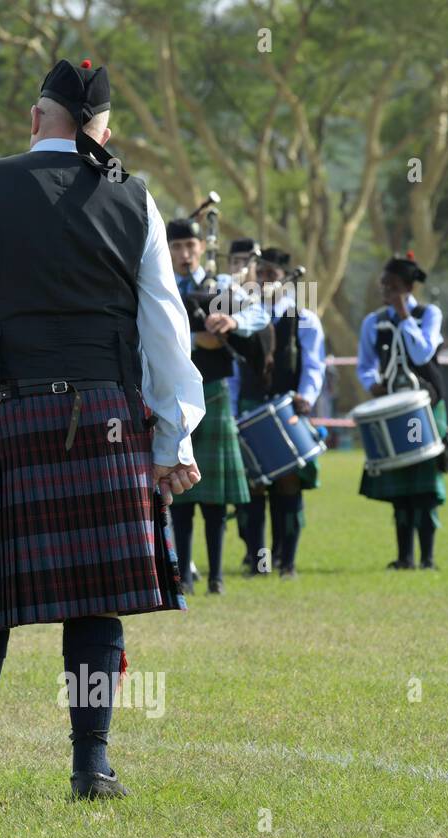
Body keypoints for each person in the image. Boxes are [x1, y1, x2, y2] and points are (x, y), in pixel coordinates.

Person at [0, 58, 204, 800]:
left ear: (37, 120)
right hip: (107, 422)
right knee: (95, 596)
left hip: (4, 415)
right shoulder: (137, 200)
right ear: (104, 128)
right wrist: (175, 438)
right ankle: (91, 766)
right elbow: (166, 331)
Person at [167, 218, 263, 595]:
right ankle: (184, 575)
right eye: (176, 247)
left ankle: (217, 576)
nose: (184, 253)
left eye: (190, 245)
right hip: (173, 395)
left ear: (203, 248)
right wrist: (193, 338)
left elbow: (260, 315)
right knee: (179, 488)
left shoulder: (221, 287)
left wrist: (233, 319)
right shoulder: (161, 287)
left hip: (216, 394)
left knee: (214, 496)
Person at [228, 247, 326, 579]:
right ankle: (260, 563)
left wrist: (307, 396)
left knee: (288, 484)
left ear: (286, 278)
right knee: (253, 488)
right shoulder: (242, 319)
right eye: (262, 273)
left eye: (273, 274)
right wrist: (231, 410)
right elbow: (235, 372)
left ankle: (288, 563)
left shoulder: (305, 319)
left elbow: (314, 365)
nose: (266, 279)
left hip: (288, 409)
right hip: (250, 408)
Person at [357, 252, 448, 569]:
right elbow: (365, 364)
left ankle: (428, 558)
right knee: (402, 488)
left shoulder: (429, 314)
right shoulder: (373, 321)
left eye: (392, 285)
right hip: (392, 411)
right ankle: (404, 557)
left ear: (408, 288)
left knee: (425, 486)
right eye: (384, 285)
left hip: (427, 406)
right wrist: (372, 384)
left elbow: (423, 353)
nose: (385, 290)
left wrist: (405, 318)